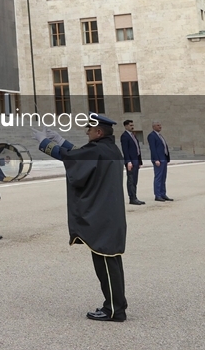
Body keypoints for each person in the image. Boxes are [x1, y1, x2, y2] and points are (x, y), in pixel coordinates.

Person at [39, 114, 128, 322]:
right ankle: (116, 304)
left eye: (89, 129)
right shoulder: (109, 148)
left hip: (102, 216)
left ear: (98, 132)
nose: (86, 131)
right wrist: (61, 141)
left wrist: (46, 143)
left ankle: (114, 310)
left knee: (106, 263)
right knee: (112, 263)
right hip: (109, 215)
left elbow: (74, 158)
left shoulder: (98, 150)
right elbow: (81, 155)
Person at [119, 120, 145, 205]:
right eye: (130, 125)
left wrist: (140, 161)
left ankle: (135, 196)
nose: (132, 126)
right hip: (131, 161)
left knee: (135, 180)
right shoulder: (125, 136)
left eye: (133, 125)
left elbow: (138, 149)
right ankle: (132, 198)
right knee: (131, 180)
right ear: (126, 126)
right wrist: (128, 162)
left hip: (136, 160)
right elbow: (125, 150)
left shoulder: (133, 135)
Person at [147, 121, 173, 201]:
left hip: (164, 158)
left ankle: (163, 193)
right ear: (153, 127)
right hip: (159, 159)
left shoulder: (160, 135)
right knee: (158, 177)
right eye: (158, 125)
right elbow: (153, 149)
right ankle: (157, 195)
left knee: (163, 177)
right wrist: (156, 159)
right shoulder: (152, 136)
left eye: (160, 125)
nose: (160, 127)